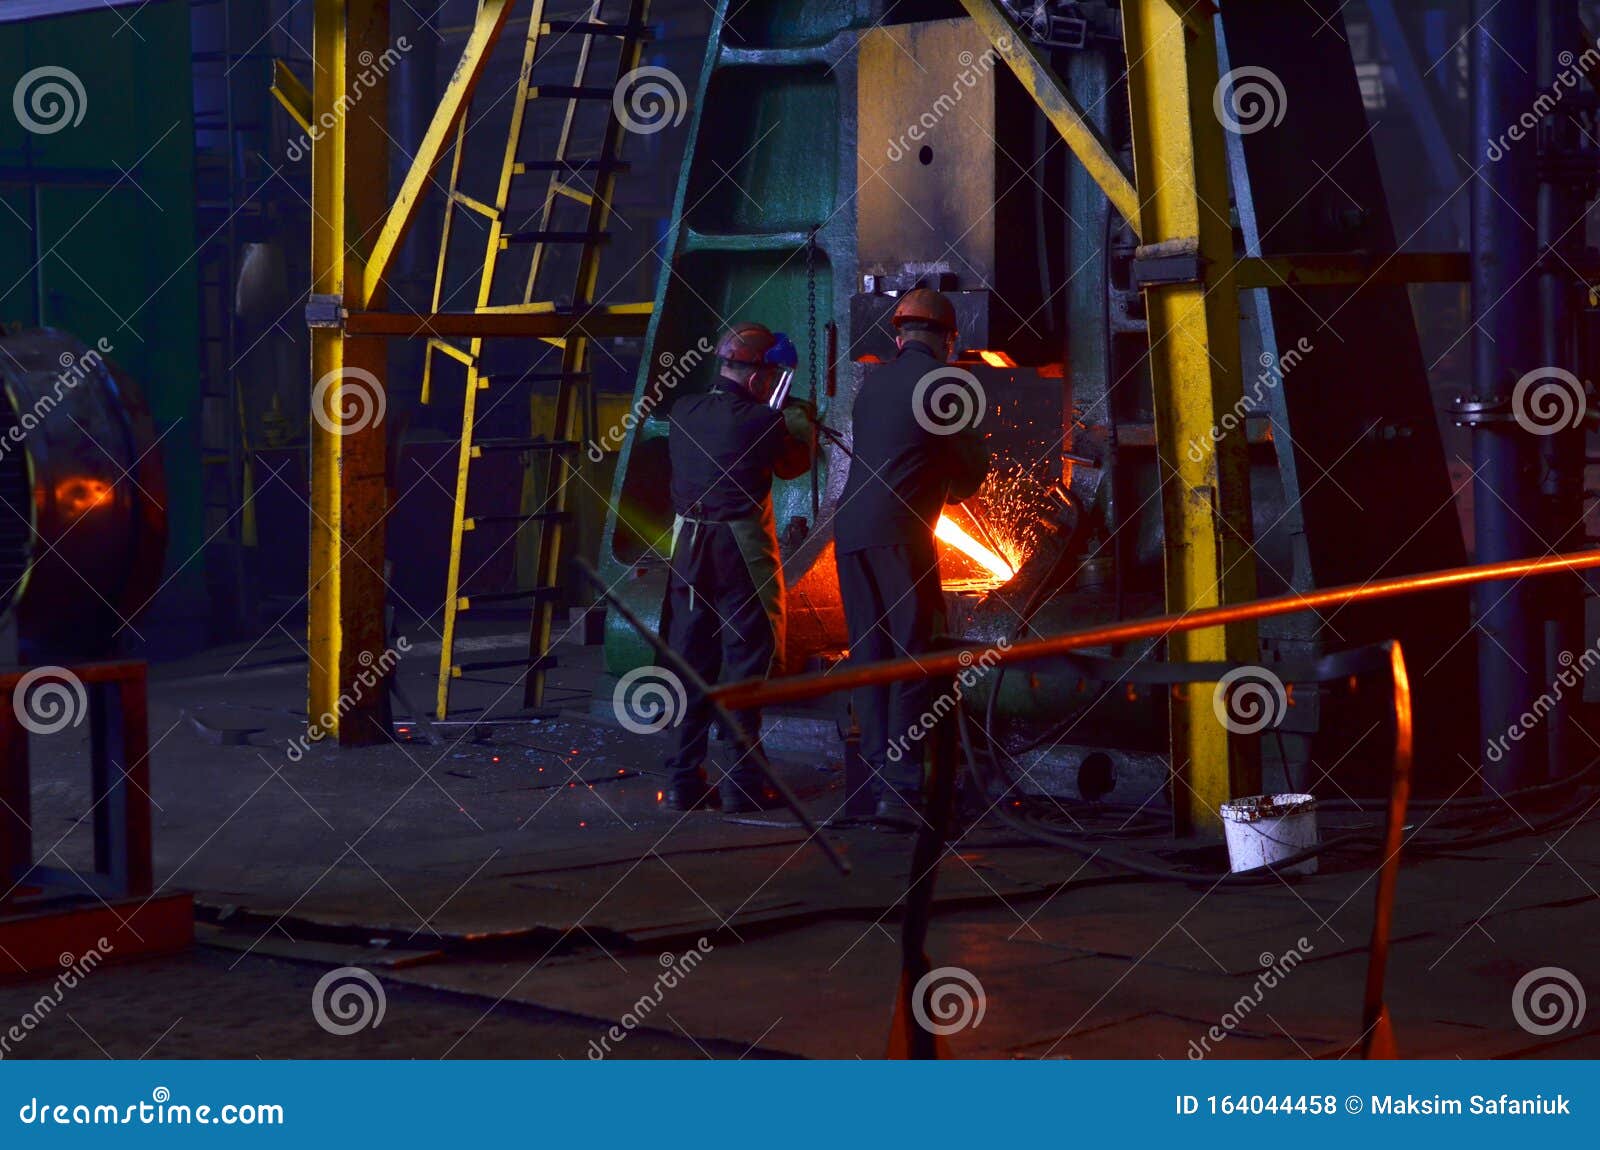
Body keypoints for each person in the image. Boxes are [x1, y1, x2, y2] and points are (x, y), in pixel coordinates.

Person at [833, 289, 990, 827]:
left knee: (871, 656)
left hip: (851, 532)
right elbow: (966, 479)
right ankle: (901, 790)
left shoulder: (872, 384)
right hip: (901, 535)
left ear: (898, 336)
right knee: (913, 657)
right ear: (948, 339)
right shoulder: (945, 383)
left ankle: (875, 781)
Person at [660, 322, 815, 812]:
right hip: (738, 551)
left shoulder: (683, 410)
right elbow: (794, 465)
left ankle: (683, 781)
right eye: (769, 378)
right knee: (745, 660)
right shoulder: (762, 421)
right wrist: (798, 420)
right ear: (756, 377)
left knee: (692, 659)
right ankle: (743, 783)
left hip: (688, 551)